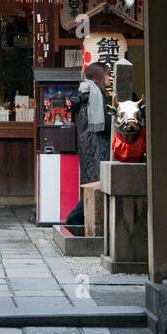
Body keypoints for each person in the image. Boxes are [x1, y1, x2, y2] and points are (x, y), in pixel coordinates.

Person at [65, 63, 112, 232]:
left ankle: (78, 224)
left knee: (94, 186)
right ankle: (73, 221)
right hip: (95, 146)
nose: (109, 78)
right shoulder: (94, 94)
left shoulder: (86, 92)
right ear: (99, 76)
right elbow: (104, 125)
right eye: (107, 75)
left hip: (89, 146)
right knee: (97, 185)